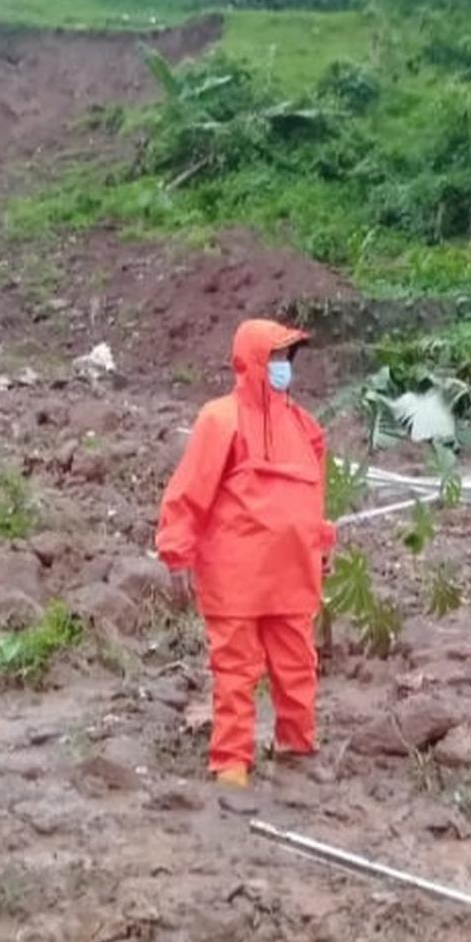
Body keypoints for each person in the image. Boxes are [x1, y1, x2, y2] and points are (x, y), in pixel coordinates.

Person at [156, 320, 336, 787]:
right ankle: (231, 762)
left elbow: (313, 496)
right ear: (252, 360)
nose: (282, 366)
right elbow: (190, 490)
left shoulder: (304, 426)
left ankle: (297, 748)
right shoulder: (221, 419)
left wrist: (321, 543)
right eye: (274, 356)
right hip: (236, 576)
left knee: (297, 666)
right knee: (235, 671)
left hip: (292, 573)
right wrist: (177, 552)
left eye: (286, 357)